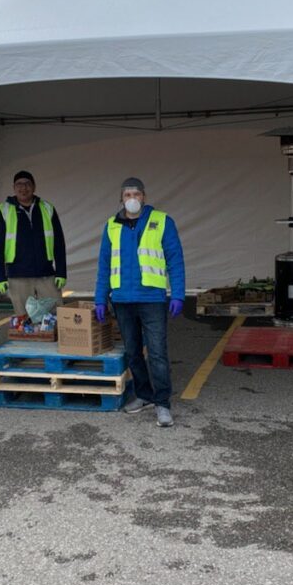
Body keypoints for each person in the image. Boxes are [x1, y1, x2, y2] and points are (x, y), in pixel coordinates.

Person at [94, 177, 185, 428]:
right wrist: (100, 298)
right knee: (133, 353)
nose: (131, 199)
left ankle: (163, 403)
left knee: (157, 353)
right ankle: (144, 395)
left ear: (144, 196)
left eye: (136, 194)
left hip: (152, 299)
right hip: (122, 299)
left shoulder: (162, 221)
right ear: (121, 199)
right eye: (127, 195)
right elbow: (104, 265)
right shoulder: (111, 226)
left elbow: (174, 259)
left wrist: (177, 294)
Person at [0, 170, 67, 316]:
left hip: (46, 274)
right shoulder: (4, 210)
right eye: (19, 184)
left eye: (27, 184)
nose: (23, 188)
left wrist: (61, 272)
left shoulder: (47, 208)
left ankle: (56, 339)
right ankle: (27, 340)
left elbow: (59, 242)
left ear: (34, 187)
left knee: (56, 315)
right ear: (14, 188)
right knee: (24, 320)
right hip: (17, 276)